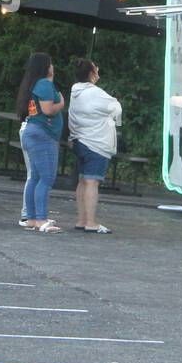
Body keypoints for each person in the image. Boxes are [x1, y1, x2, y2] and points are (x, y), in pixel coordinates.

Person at [68, 58, 122, 234]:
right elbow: (116, 109)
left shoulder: (75, 91)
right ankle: (91, 222)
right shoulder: (96, 93)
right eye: (96, 69)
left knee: (83, 180)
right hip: (96, 143)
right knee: (92, 182)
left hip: (79, 141)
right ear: (92, 73)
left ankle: (82, 219)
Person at [16, 51, 64, 233]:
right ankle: (41, 219)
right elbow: (48, 109)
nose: (53, 67)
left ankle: (31, 219)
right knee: (46, 178)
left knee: (35, 177)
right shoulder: (44, 84)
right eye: (50, 63)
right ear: (45, 66)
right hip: (43, 135)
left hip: (34, 133)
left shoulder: (33, 84)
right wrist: (62, 104)